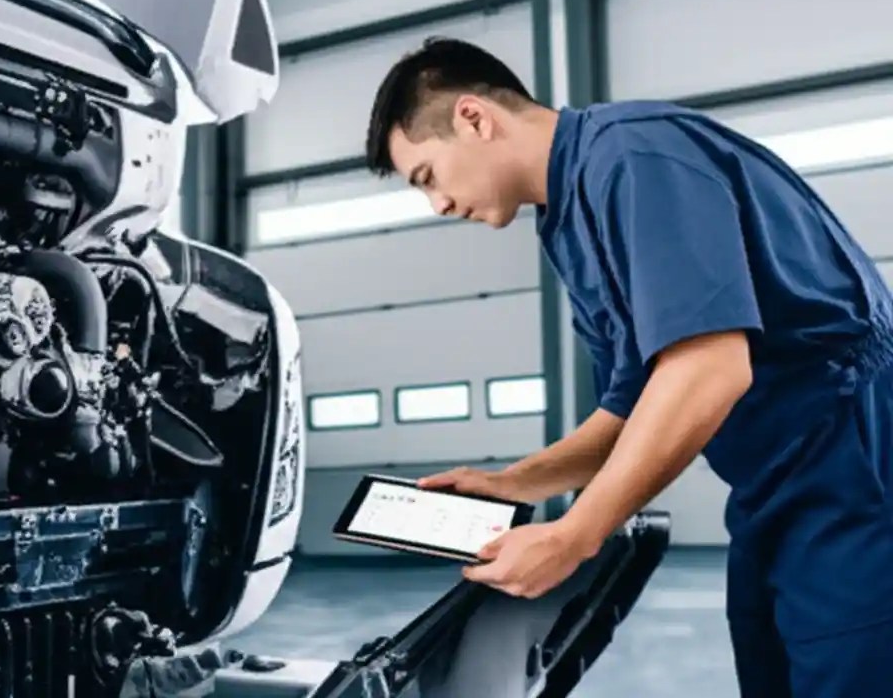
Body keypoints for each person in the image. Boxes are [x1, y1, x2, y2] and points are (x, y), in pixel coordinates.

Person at [363, 36, 893, 697]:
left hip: (853, 457)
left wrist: (578, 533)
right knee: (771, 667)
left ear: (473, 118)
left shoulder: (633, 156)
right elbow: (632, 401)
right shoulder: (566, 220)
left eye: (428, 177)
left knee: (849, 669)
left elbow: (709, 369)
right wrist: (515, 484)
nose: (437, 205)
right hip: (773, 481)